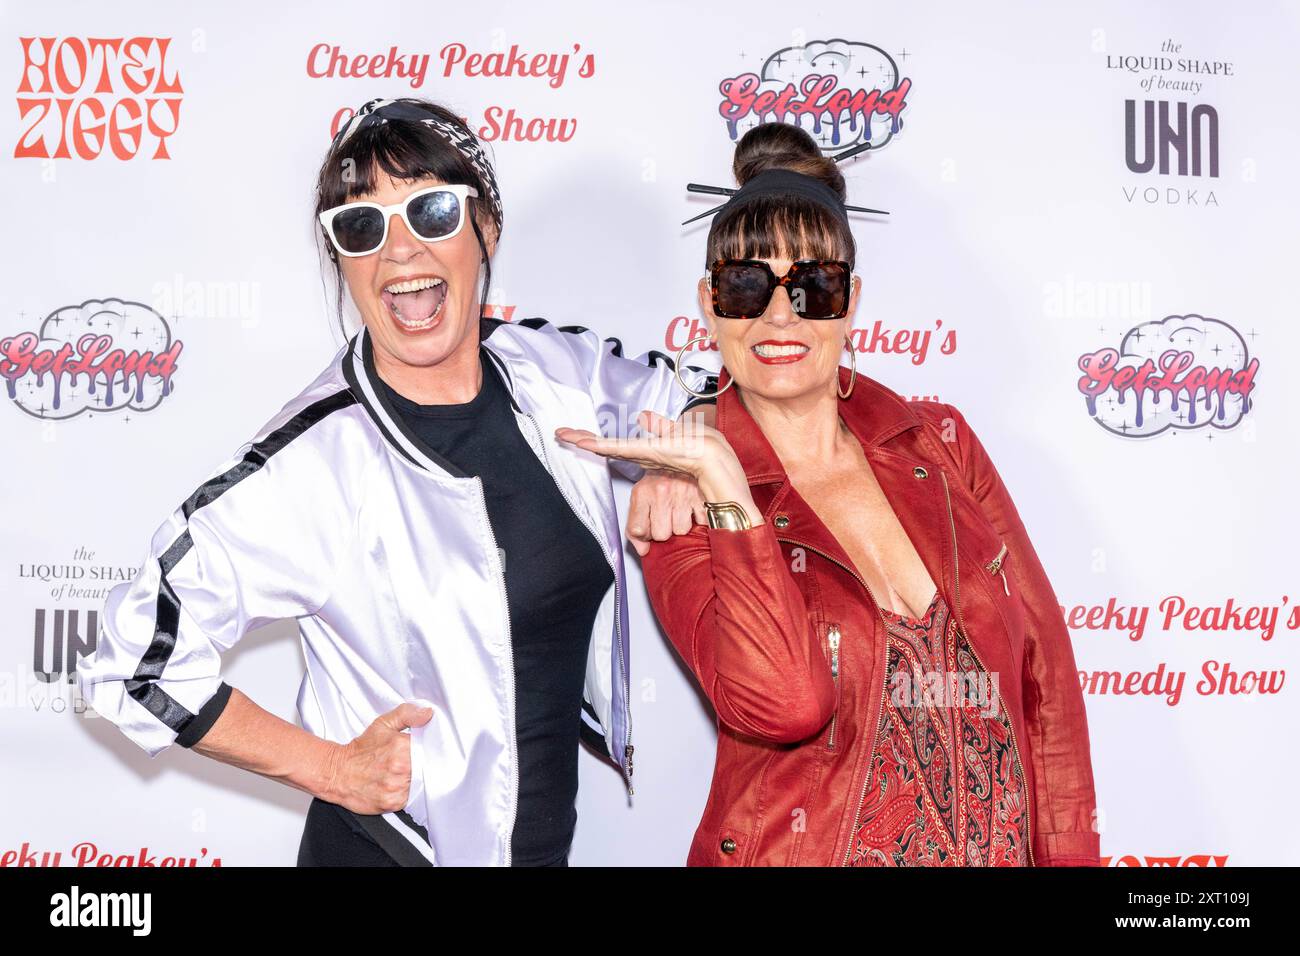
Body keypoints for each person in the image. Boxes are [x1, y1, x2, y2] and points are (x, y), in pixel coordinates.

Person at [76, 97, 715, 867]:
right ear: (341, 259)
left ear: (487, 230)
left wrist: (681, 454)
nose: (400, 250)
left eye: (433, 211)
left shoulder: (554, 371)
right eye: (361, 227)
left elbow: (694, 392)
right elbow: (131, 664)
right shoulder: (316, 460)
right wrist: (328, 767)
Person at [557, 122, 1101, 866]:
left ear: (851, 302)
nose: (780, 316)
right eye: (748, 285)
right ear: (710, 303)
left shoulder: (941, 445)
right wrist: (724, 488)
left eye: (814, 286)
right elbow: (785, 704)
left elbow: (1045, 679)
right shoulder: (683, 506)